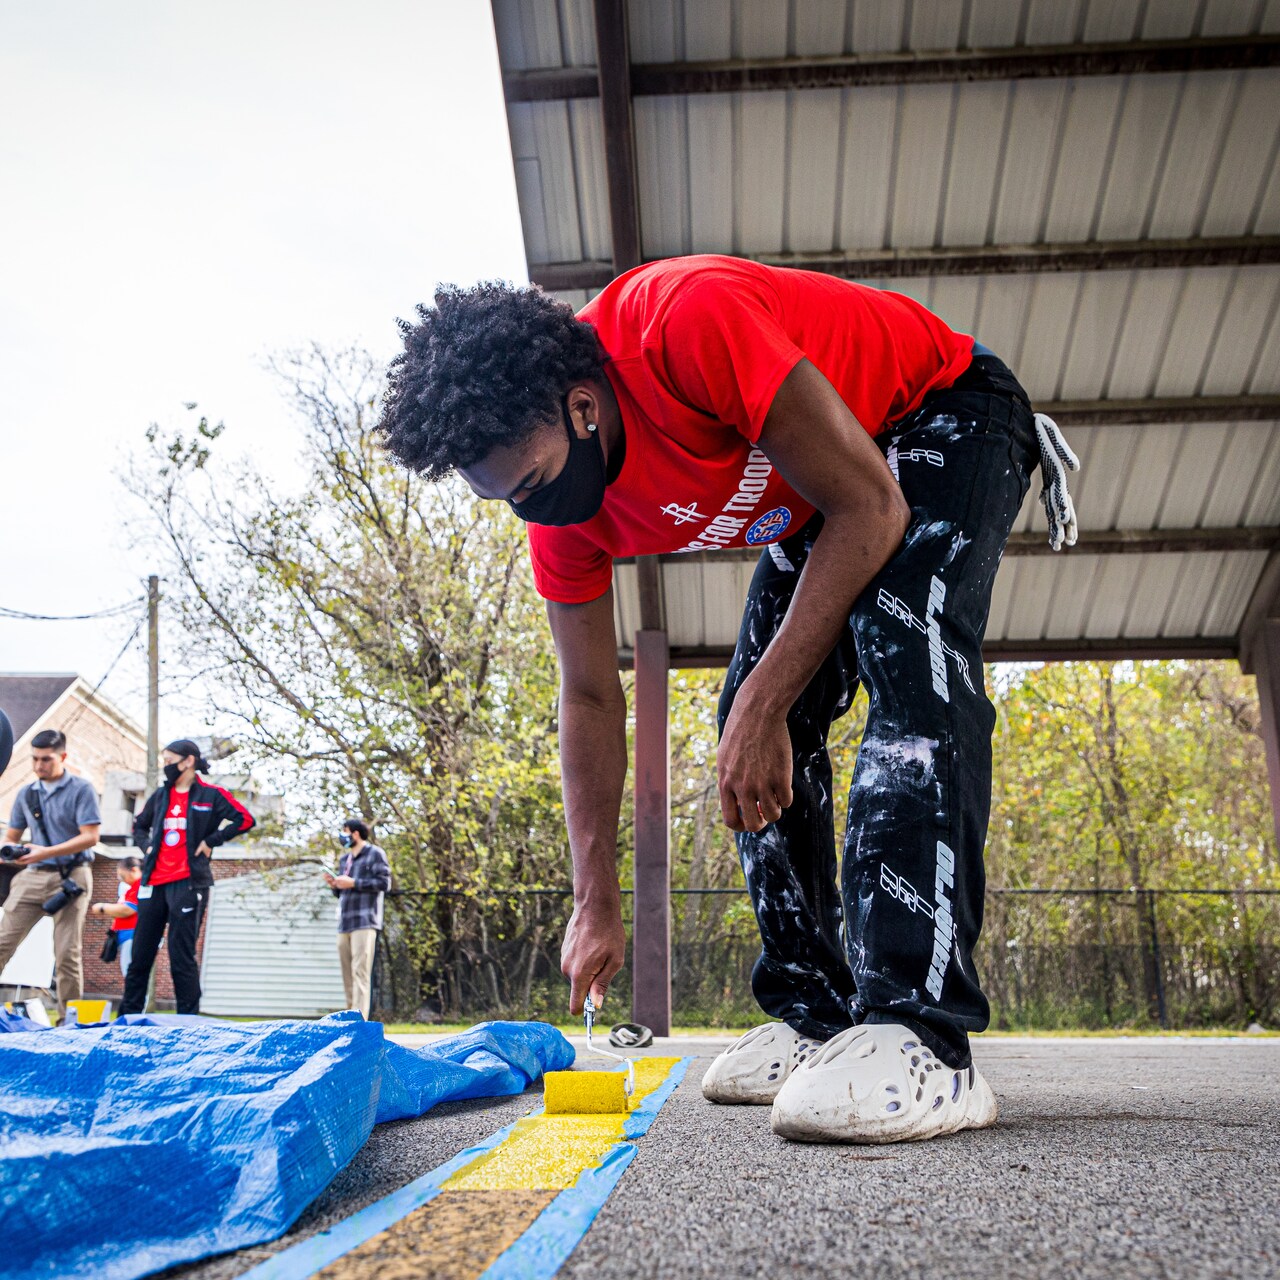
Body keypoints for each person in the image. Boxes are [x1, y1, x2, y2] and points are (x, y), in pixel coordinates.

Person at [378, 257, 1081, 1145]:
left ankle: (924, 1037)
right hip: (824, 495)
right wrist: (594, 898)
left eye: (529, 482)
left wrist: (765, 704)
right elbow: (590, 695)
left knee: (908, 643)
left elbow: (870, 505)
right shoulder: (561, 518)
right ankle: (817, 1014)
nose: (531, 513)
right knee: (746, 722)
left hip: (941, 411)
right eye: (503, 500)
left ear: (583, 408)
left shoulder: (684, 323)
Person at [120, 739, 255, 1015]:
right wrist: (147, 846)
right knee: (140, 957)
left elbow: (245, 819)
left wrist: (212, 841)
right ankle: (127, 1019)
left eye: (169, 761)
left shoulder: (211, 795)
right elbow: (139, 826)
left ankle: (187, 1022)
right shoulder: (160, 796)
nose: (166, 767)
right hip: (154, 883)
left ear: (188, 761)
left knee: (181, 956)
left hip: (188, 883)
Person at [0, 729, 102, 1018]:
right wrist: (10, 849)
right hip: (32, 875)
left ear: (63, 757)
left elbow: (91, 836)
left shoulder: (81, 789)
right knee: (2, 941)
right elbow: (11, 836)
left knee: (66, 954)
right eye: (34, 759)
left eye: (46, 759)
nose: (38, 766)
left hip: (72, 875)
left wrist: (45, 851)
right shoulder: (27, 793)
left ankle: (70, 1024)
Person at [323, 818, 391, 1019]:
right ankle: (350, 1017)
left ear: (355, 833)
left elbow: (384, 883)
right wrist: (335, 885)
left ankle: (359, 1020)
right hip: (345, 922)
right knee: (347, 974)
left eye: (345, 831)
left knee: (360, 972)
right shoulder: (345, 860)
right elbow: (342, 893)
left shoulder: (375, 854)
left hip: (365, 920)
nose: (342, 836)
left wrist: (354, 882)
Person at [90, 855, 143, 978]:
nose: (121, 880)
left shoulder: (139, 886)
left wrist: (103, 907)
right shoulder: (132, 888)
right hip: (126, 936)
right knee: (129, 973)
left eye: (122, 876)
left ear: (134, 870)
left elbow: (128, 909)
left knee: (132, 974)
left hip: (132, 936)